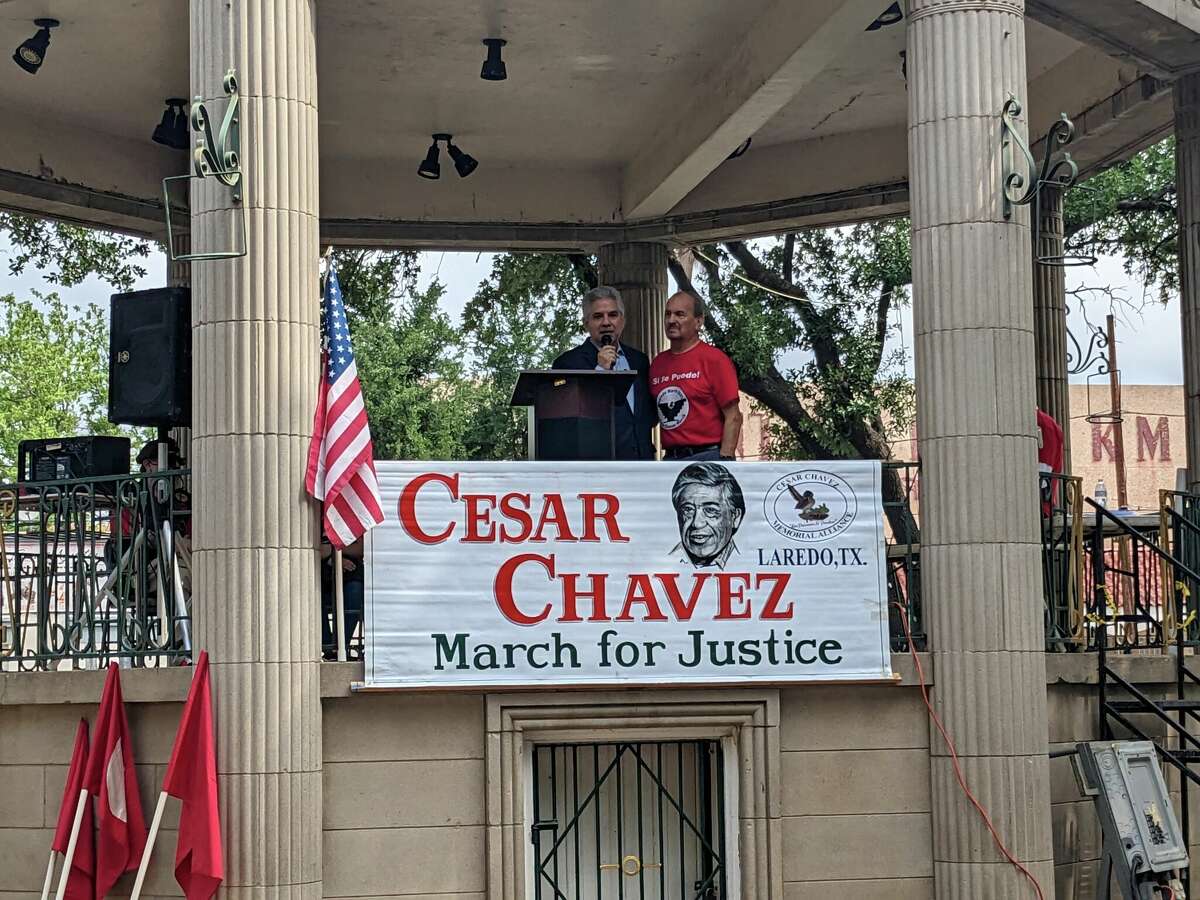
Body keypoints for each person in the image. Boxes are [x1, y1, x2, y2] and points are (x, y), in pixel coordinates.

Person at [552, 285, 656, 460]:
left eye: (613, 315)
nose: (606, 322)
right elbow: (566, 422)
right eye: (598, 316)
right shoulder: (567, 363)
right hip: (595, 464)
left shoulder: (639, 360)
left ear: (622, 320)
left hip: (641, 464)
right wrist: (600, 371)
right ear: (586, 323)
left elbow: (648, 415)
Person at [650, 291, 742, 462]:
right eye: (668, 314)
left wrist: (726, 461)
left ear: (698, 322)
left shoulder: (715, 359)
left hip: (707, 456)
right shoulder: (657, 364)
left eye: (680, 314)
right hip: (670, 458)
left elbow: (734, 416)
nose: (671, 320)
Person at [670, 462, 745, 569]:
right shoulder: (662, 564)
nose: (697, 523)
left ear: (735, 517)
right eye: (688, 509)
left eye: (710, 510)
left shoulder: (751, 561)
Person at [320, 536, 364, 661]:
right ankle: (328, 646)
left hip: (352, 576)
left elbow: (361, 548)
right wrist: (332, 558)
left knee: (355, 591)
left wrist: (335, 551)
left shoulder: (354, 520)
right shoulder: (316, 522)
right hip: (321, 576)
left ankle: (341, 646)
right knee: (314, 596)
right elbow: (316, 550)